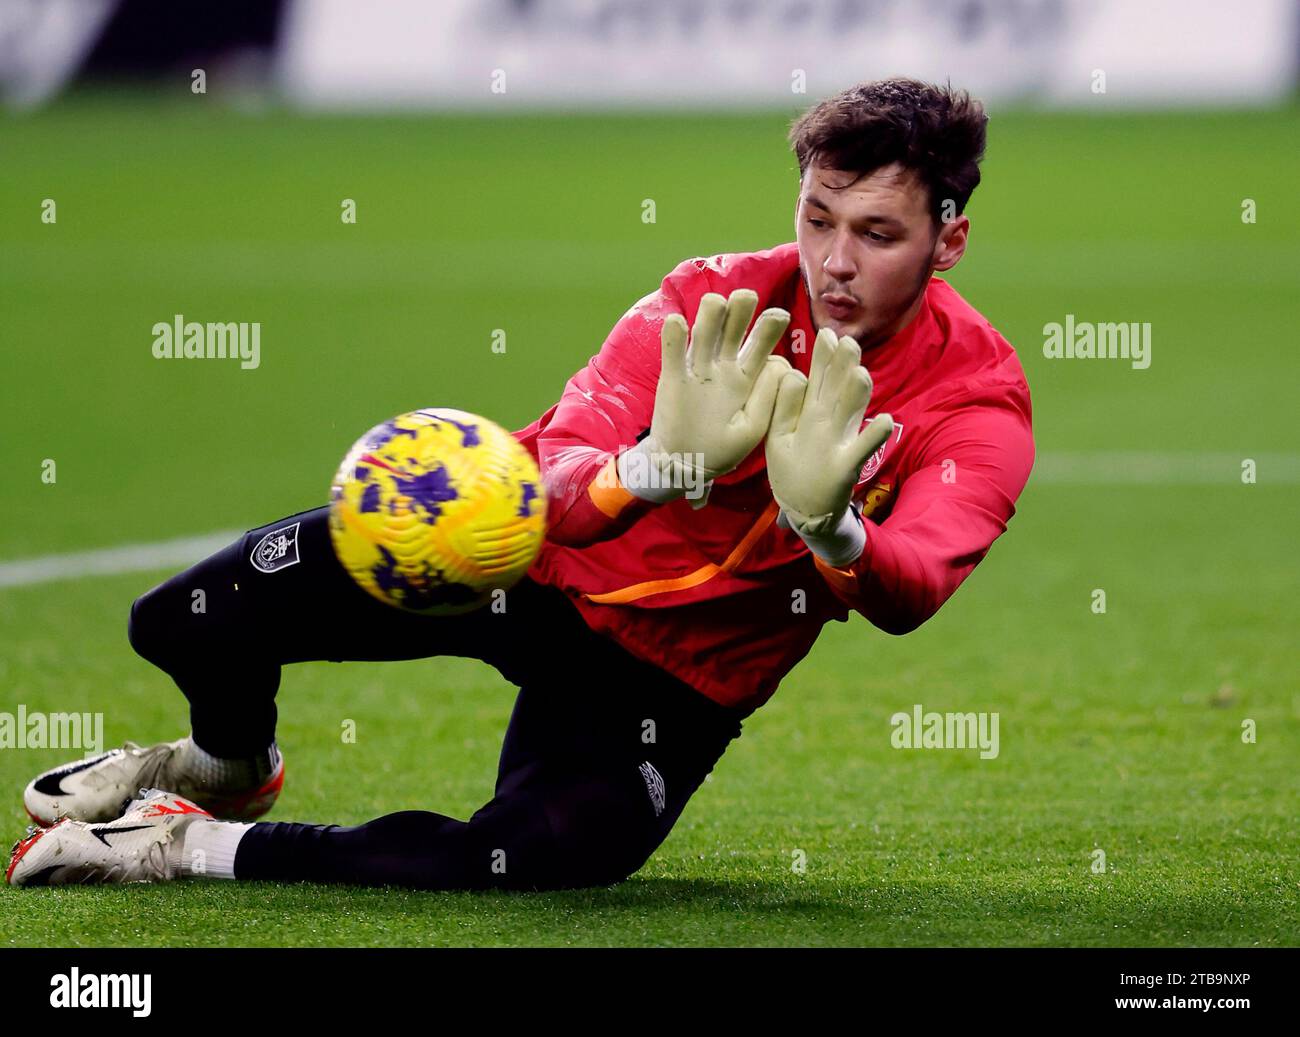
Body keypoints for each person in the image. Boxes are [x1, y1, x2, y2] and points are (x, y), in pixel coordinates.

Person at [7, 78, 1034, 890]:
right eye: (817, 218)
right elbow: (551, 471)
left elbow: (913, 583)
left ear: (949, 239)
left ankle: (178, 846)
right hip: (514, 555)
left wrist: (833, 528)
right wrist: (655, 468)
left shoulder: (977, 403)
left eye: (877, 234)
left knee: (524, 853)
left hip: (667, 680)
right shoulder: (708, 296)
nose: (832, 262)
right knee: (180, 619)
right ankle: (228, 766)